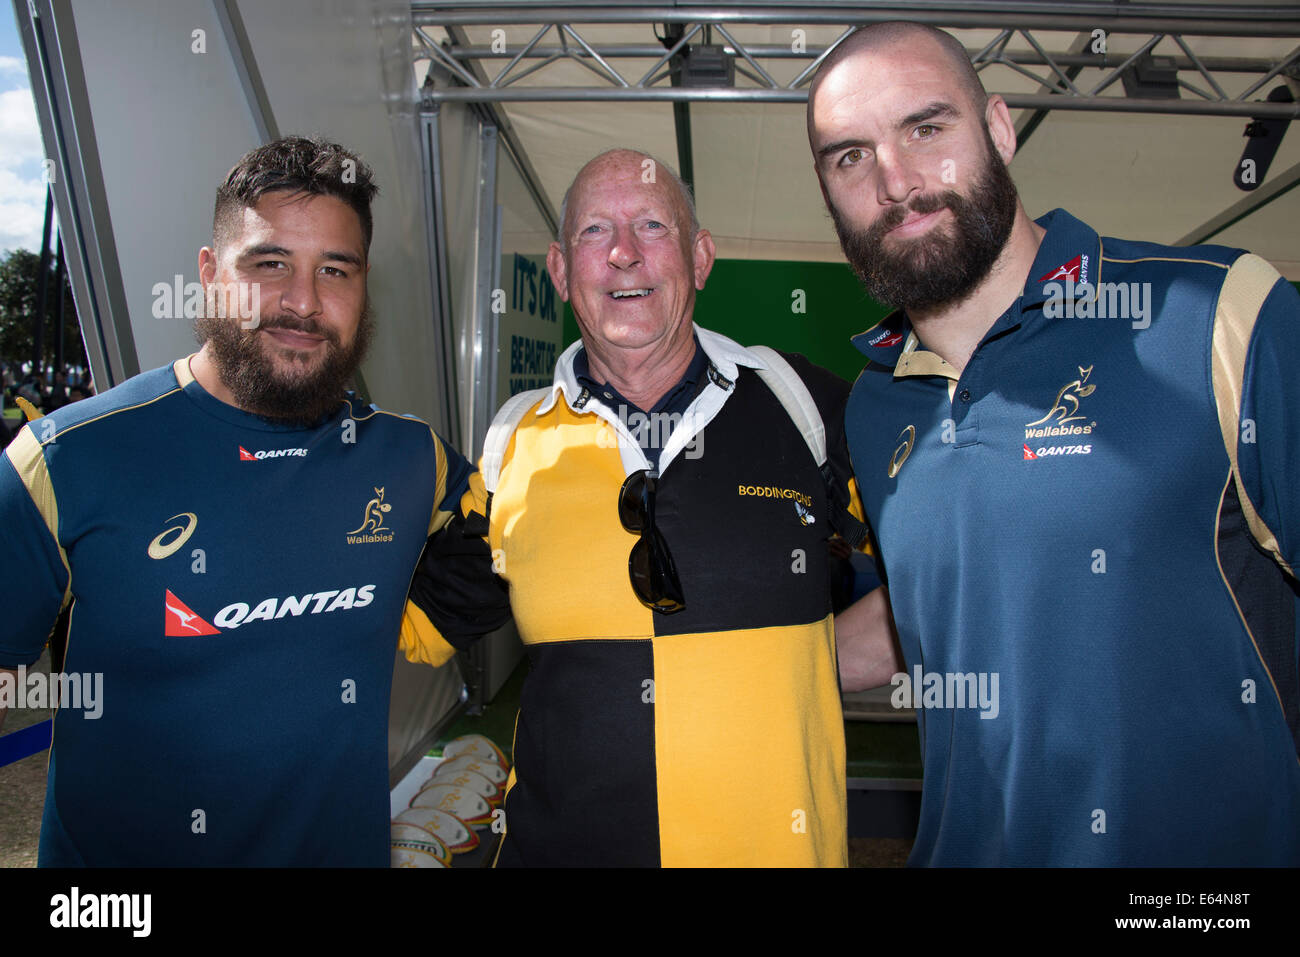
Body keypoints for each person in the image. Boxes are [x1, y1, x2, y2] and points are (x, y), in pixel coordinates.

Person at [809, 22, 1300, 865]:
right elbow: (939, 609)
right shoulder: (877, 405)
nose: (896, 180)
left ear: (999, 129)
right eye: (850, 157)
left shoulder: (1221, 319)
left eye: (927, 129)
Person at [403, 148, 887, 866]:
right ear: (562, 271)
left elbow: (944, 578)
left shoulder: (805, 404)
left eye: (652, 226)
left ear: (700, 258)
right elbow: (413, 627)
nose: (624, 254)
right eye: (595, 231)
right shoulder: (514, 443)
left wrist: (797, 663)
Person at [0, 136, 471, 866]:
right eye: (269, 262)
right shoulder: (66, 459)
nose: (304, 301)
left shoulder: (415, 459)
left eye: (335, 270)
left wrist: (426, 619)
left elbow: (515, 546)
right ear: (210, 273)